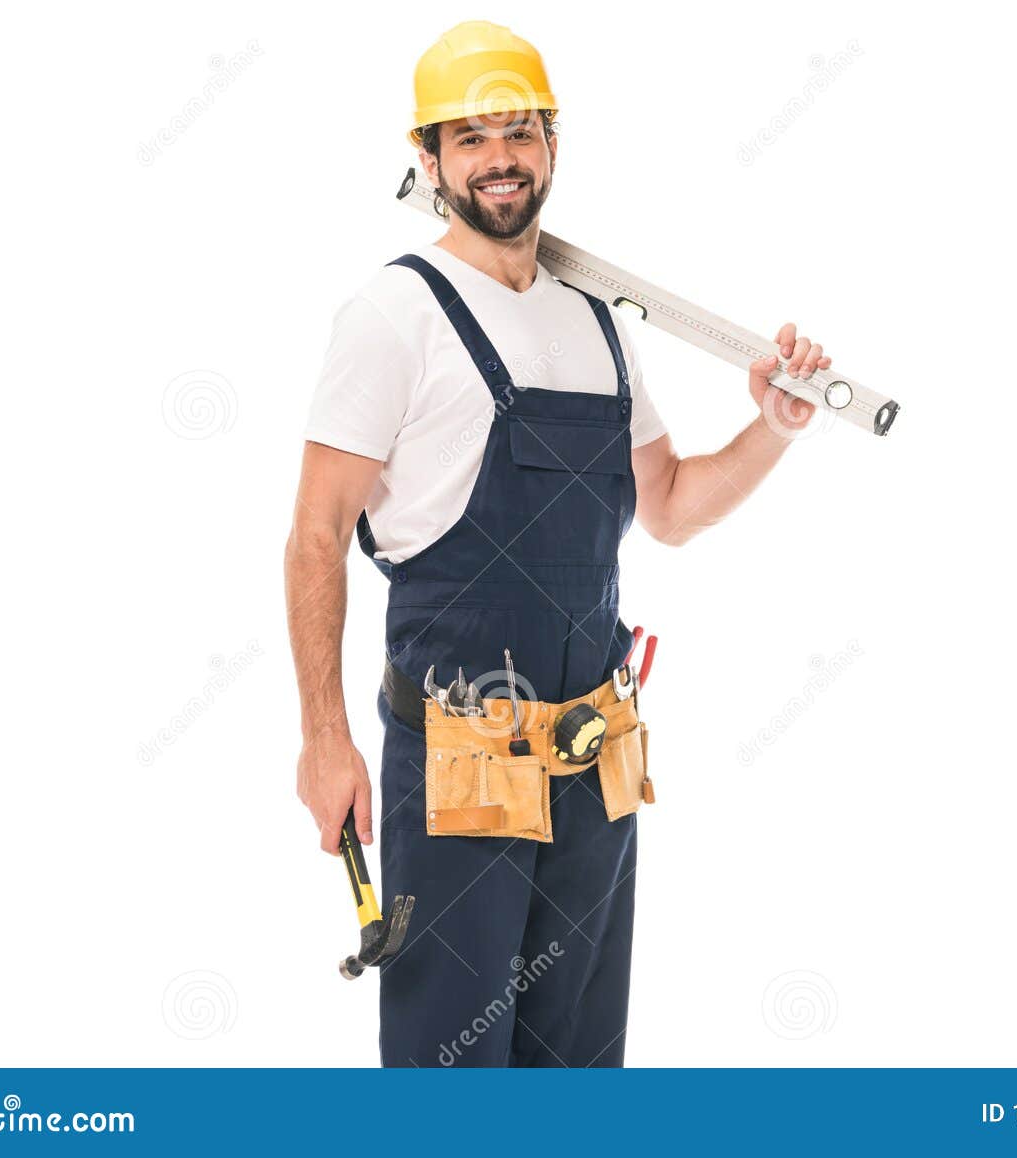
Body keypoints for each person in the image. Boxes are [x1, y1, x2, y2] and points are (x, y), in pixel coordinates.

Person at [284, 20, 832, 1067]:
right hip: (459, 771)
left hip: (594, 764)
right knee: (451, 1076)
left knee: (577, 1074)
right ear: (429, 155)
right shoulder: (392, 316)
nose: (501, 156)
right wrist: (324, 737)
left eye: (521, 131)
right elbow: (313, 535)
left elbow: (669, 504)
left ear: (551, 145)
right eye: (474, 135)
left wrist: (772, 426)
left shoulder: (599, 321)